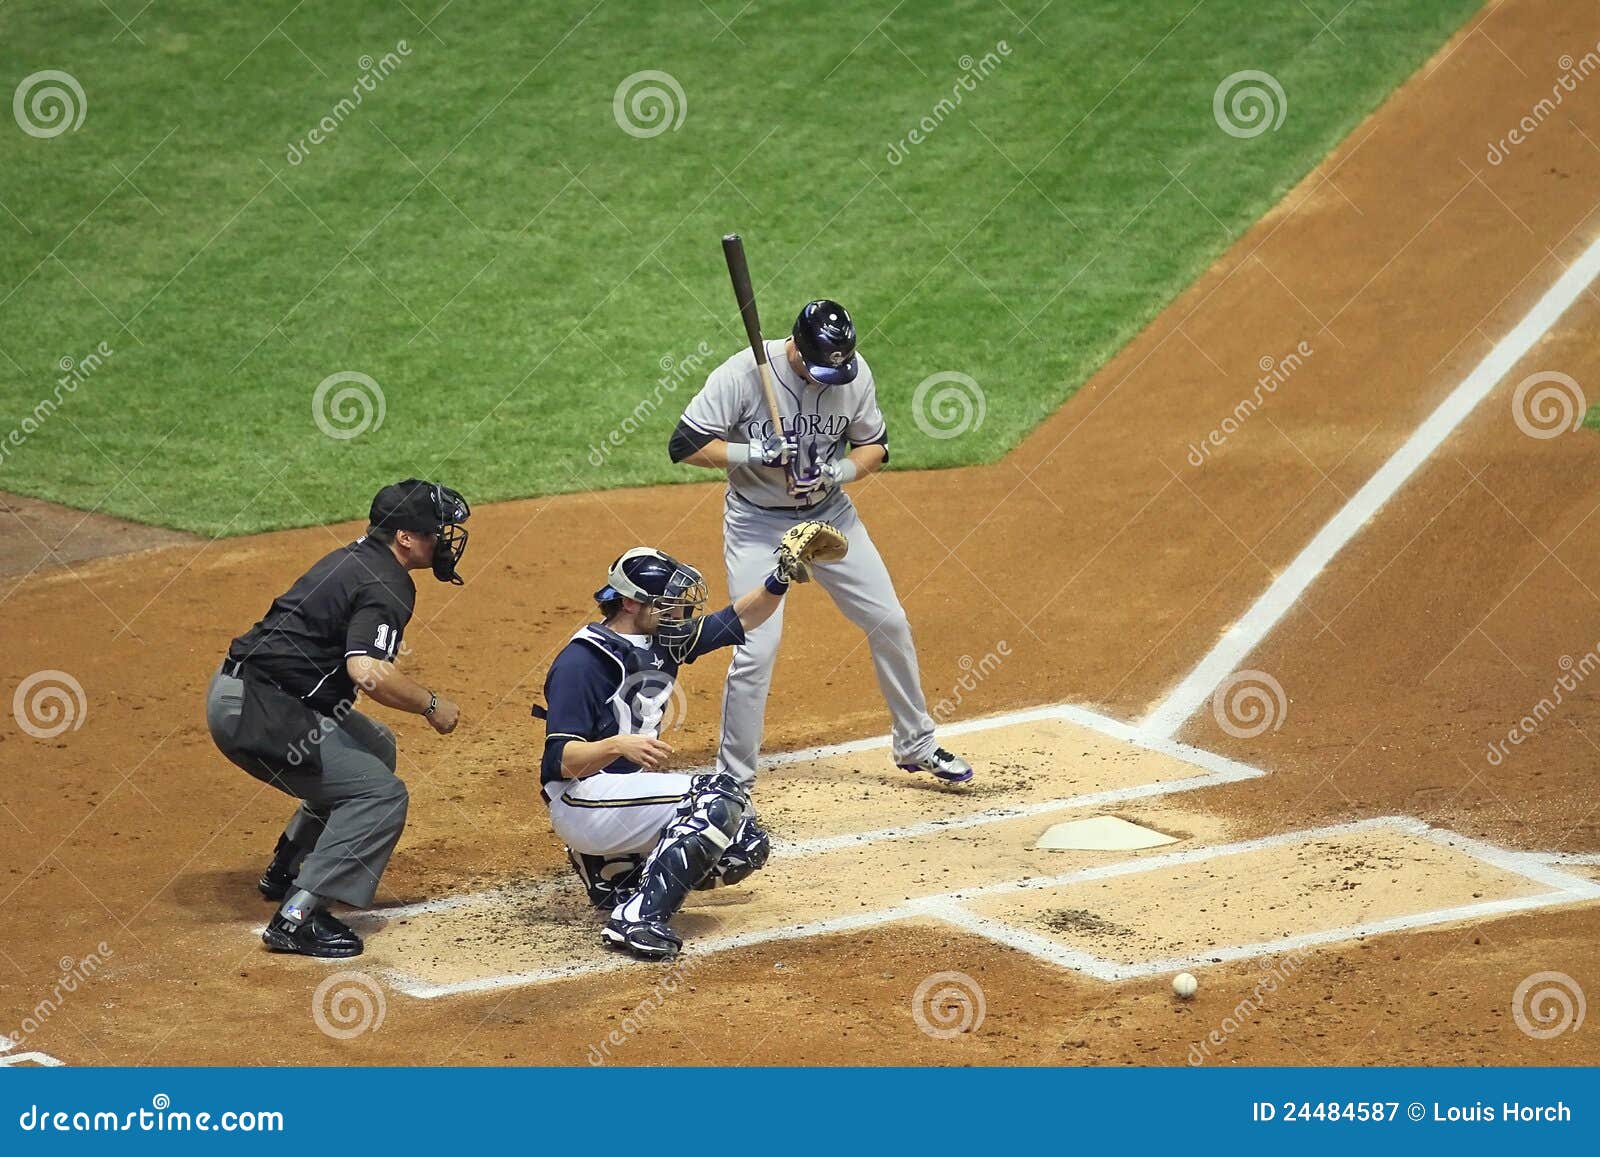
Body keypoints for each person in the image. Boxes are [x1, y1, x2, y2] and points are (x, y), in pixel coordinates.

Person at [668, 298, 974, 787]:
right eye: (814, 369)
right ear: (797, 348)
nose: (821, 381)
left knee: (889, 621)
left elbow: (876, 446)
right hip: (757, 524)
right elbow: (683, 445)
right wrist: (755, 451)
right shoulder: (743, 374)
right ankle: (732, 783)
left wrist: (839, 470)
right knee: (755, 648)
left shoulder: (854, 376)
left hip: (831, 516)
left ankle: (915, 743)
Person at [536, 528, 833, 960]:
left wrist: (780, 578)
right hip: (581, 799)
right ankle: (635, 919)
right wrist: (617, 745)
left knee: (744, 845)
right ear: (631, 603)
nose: (678, 612)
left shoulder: (663, 638)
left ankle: (616, 876)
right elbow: (559, 760)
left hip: (620, 800)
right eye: (667, 604)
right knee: (717, 798)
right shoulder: (583, 662)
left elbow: (739, 618)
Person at [204, 479, 470, 958]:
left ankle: (289, 865)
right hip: (260, 711)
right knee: (380, 795)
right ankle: (298, 917)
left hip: (252, 692)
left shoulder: (363, 557)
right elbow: (366, 671)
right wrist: (432, 705)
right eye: (435, 531)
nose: (444, 541)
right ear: (406, 538)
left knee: (376, 749)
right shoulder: (387, 584)